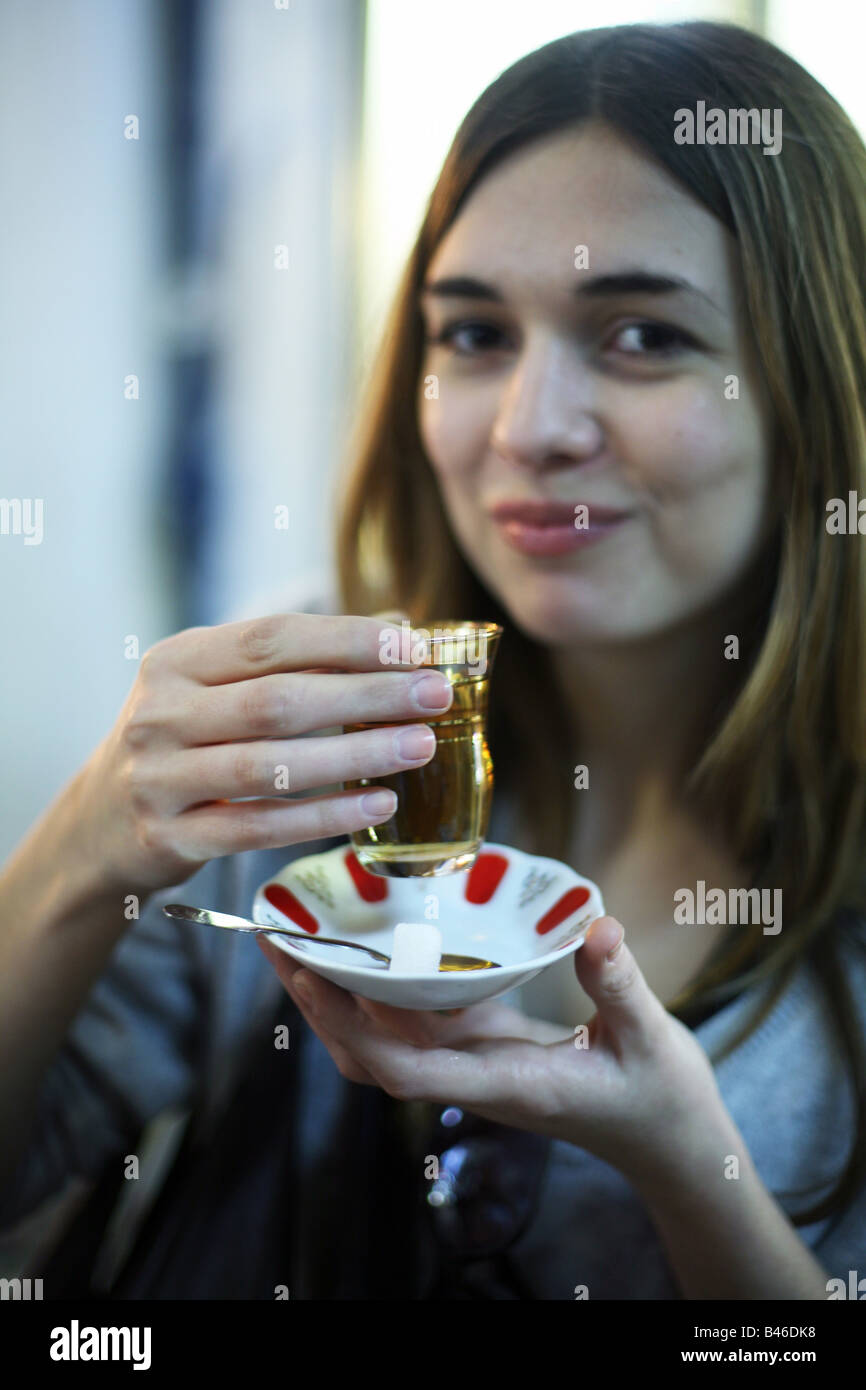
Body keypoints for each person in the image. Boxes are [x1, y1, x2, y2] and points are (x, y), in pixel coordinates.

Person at [2, 19, 866, 1300]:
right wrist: (79, 852)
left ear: (815, 378)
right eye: (471, 335)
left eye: (640, 335)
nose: (528, 427)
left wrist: (691, 1168)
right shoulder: (306, 726)